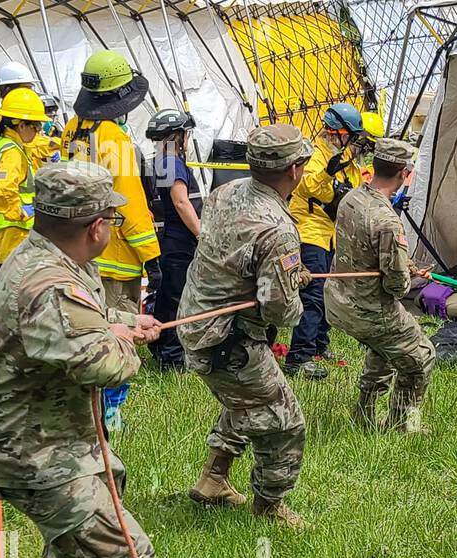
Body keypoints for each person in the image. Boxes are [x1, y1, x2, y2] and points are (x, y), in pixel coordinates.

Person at [0, 160, 161, 558]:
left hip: (49, 438)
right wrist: (124, 343)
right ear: (96, 227)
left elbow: (75, 319)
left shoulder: (51, 257)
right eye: (112, 217)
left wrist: (117, 320)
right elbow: (105, 365)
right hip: (29, 450)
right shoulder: (49, 283)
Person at [177, 124, 313, 527]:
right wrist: (290, 283)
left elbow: (232, 256)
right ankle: (269, 506)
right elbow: (280, 312)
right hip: (227, 340)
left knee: (245, 400)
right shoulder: (278, 228)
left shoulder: (225, 193)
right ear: (294, 170)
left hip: (197, 320)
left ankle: (213, 479)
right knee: (284, 420)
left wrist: (283, 273)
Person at [62, 49, 161, 429]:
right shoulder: (115, 141)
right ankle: (109, 412)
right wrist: (152, 255)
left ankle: (86, 404)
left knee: (86, 328)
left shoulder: (74, 130)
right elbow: (131, 204)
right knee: (119, 333)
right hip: (117, 255)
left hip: (79, 250)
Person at [326, 138, 436, 434]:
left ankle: (363, 414)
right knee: (421, 356)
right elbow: (397, 286)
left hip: (339, 302)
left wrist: (405, 265)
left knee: (387, 346)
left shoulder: (351, 199)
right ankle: (404, 425)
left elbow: (362, 251)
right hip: (369, 309)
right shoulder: (387, 220)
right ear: (403, 173)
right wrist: (410, 276)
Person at [284, 103, 364, 380]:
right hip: (310, 231)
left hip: (330, 233)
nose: (353, 143)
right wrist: (328, 172)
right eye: (351, 137)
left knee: (327, 293)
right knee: (313, 294)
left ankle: (319, 345)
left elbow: (352, 190)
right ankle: (299, 358)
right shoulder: (314, 155)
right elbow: (305, 186)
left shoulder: (345, 159)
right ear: (339, 132)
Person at [145, 109, 202, 371]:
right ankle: (173, 357)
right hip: (179, 242)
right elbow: (180, 201)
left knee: (167, 296)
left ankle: (160, 346)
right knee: (178, 299)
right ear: (177, 136)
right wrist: (201, 233)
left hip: (167, 241)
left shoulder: (160, 160)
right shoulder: (172, 161)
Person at [0, 88, 50, 265]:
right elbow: (4, 190)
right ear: (21, 125)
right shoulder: (12, 153)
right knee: (14, 282)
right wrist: (19, 212)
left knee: (3, 276)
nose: (38, 132)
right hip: (12, 230)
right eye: (36, 127)